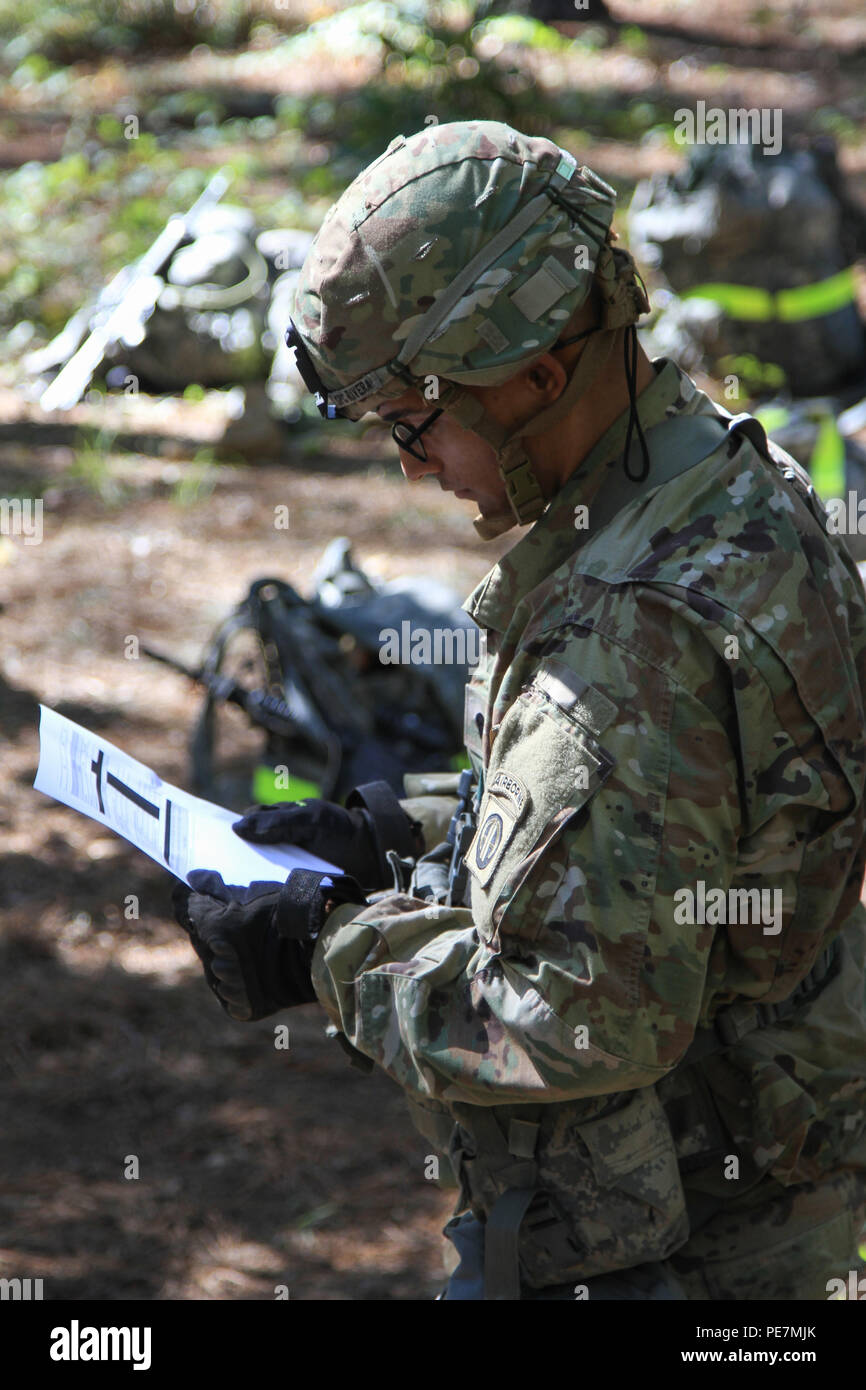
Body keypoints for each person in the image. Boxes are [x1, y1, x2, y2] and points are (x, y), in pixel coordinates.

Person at [171, 120, 866, 1301]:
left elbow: (570, 1020)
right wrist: (405, 824)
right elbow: (670, 813)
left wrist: (327, 952)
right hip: (767, 1196)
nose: (410, 465)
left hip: (677, 1252)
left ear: (536, 374)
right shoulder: (714, 476)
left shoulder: (626, 626)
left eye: (413, 420)